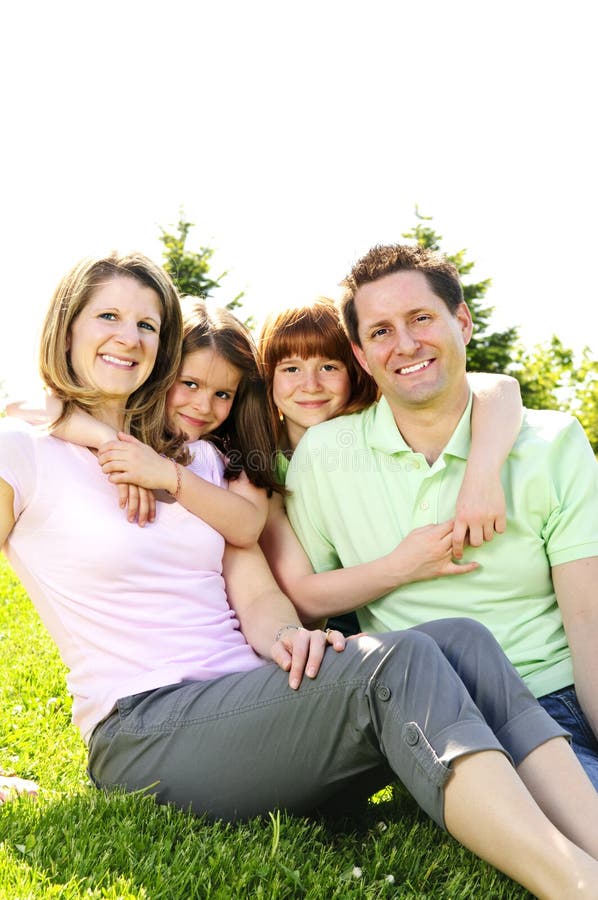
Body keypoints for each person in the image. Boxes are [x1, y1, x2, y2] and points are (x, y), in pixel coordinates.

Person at [4, 253, 598, 896]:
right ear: (67, 327)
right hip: (144, 726)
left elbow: (255, 589)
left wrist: (290, 636)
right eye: (110, 316)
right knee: (398, 664)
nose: (130, 337)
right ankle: (575, 884)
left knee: (460, 640)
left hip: (252, 700)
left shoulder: (200, 462)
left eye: (149, 325)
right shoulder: (24, 450)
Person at [285, 242, 598, 787]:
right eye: (380, 331)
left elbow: (589, 623)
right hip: (434, 718)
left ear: (463, 322)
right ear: (361, 355)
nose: (405, 344)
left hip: (554, 698)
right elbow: (304, 601)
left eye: (421, 318)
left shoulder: (551, 443)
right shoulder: (323, 456)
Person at [258, 297, 523, 634]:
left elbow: (499, 388)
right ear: (268, 377)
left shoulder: (384, 427)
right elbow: (299, 597)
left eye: (329, 367)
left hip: (382, 613)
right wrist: (404, 564)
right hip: (303, 622)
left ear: (357, 367)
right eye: (291, 368)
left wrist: (481, 474)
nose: (311, 385)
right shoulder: (264, 463)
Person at [5, 298, 278, 544]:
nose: (203, 406)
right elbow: (19, 405)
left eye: (222, 394)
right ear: (161, 372)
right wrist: (106, 439)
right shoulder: (126, 425)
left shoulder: (223, 452)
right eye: (190, 384)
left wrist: (165, 474)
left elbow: (248, 527)